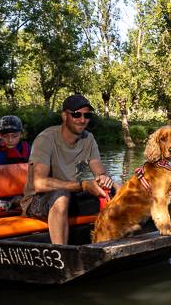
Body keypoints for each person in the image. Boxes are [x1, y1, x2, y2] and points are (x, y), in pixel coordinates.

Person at [22, 94, 116, 245]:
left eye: (87, 115)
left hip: (71, 196)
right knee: (61, 196)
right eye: (76, 114)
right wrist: (83, 185)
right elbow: (39, 184)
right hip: (37, 201)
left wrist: (105, 180)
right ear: (64, 116)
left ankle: (125, 240)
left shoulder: (88, 138)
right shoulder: (45, 139)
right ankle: (62, 254)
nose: (82, 119)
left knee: (117, 189)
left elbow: (100, 173)